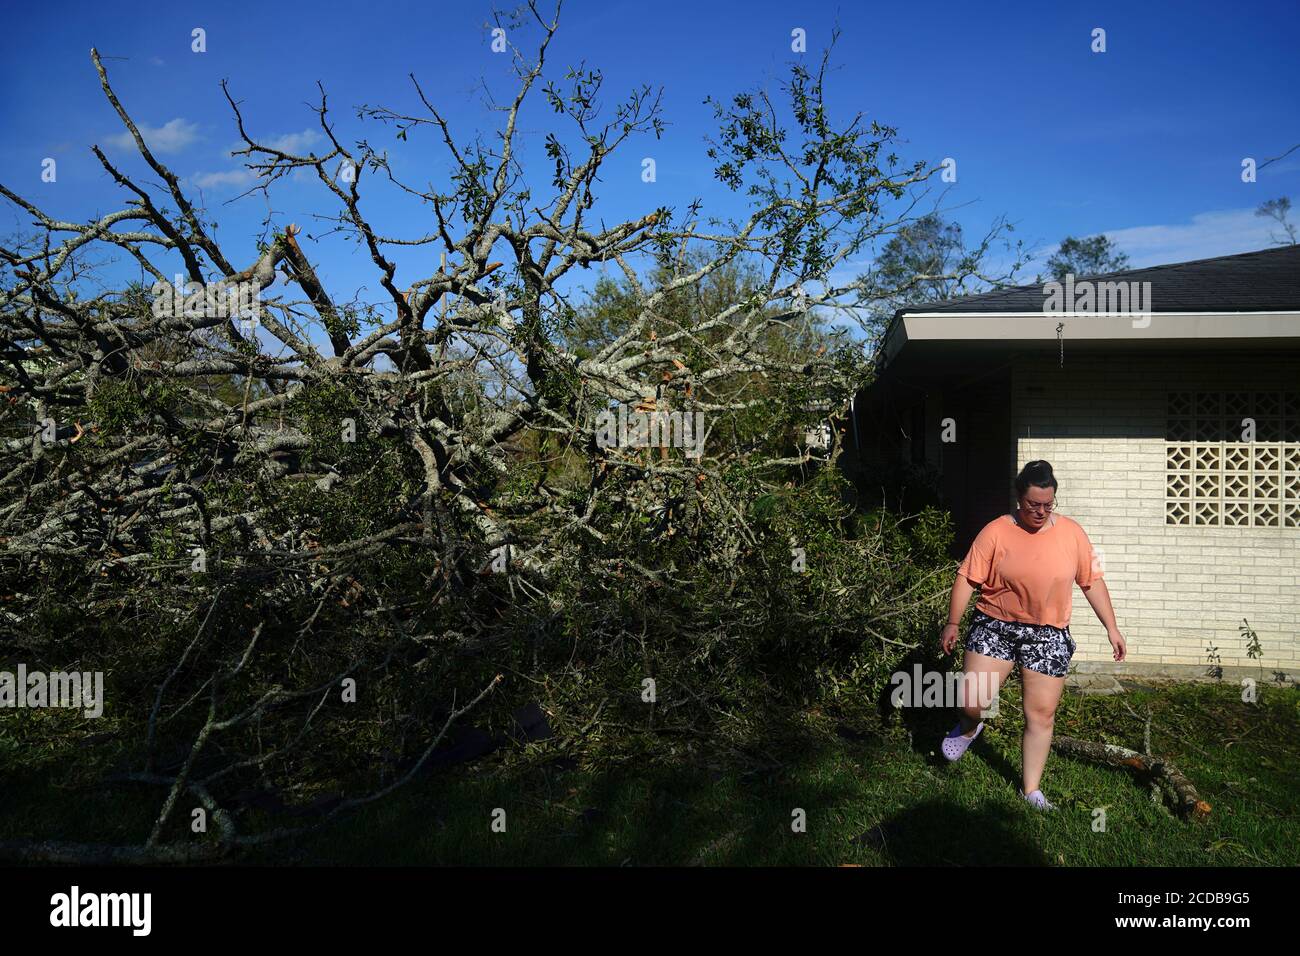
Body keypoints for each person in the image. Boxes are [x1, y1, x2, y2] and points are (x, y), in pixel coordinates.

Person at [938, 460, 1127, 810]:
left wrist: (1111, 627)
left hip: (1048, 633)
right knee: (971, 700)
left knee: (1040, 714)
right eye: (1033, 504)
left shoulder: (1072, 533)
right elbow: (967, 577)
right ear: (1019, 498)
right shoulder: (997, 531)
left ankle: (1031, 790)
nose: (1040, 511)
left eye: (1047, 505)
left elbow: (1092, 582)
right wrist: (952, 622)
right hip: (996, 624)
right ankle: (969, 726)